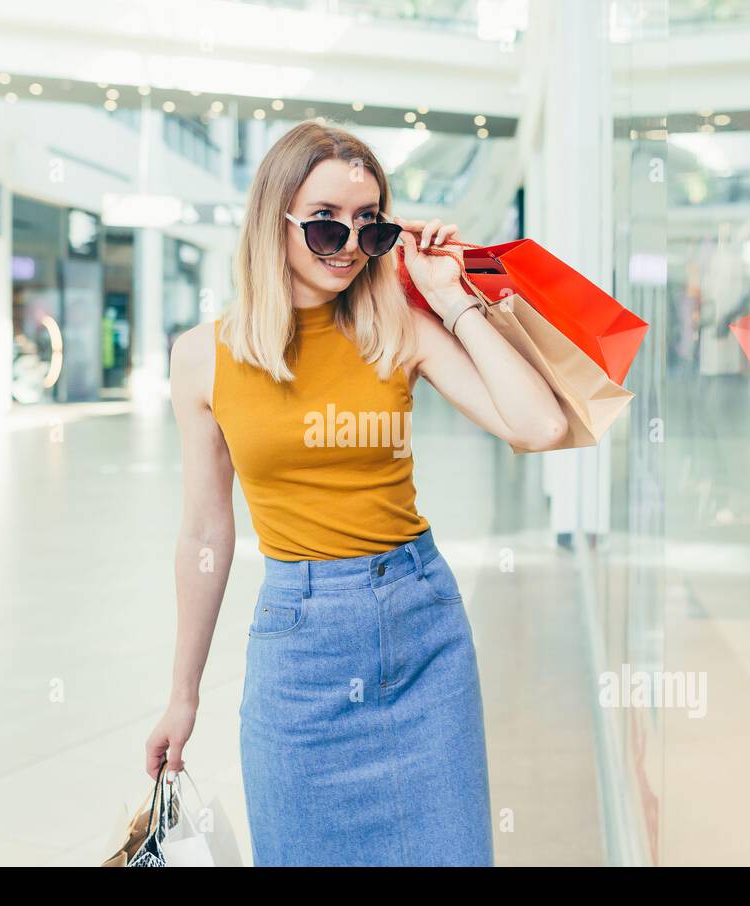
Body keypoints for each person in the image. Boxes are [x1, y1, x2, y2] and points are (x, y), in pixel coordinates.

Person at [145, 120, 566, 866]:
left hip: (421, 634)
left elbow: (537, 426)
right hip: (299, 654)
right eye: (324, 225)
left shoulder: (396, 326)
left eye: (370, 226)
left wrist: (452, 296)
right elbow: (206, 535)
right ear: (270, 222)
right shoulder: (201, 358)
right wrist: (184, 693)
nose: (347, 245)